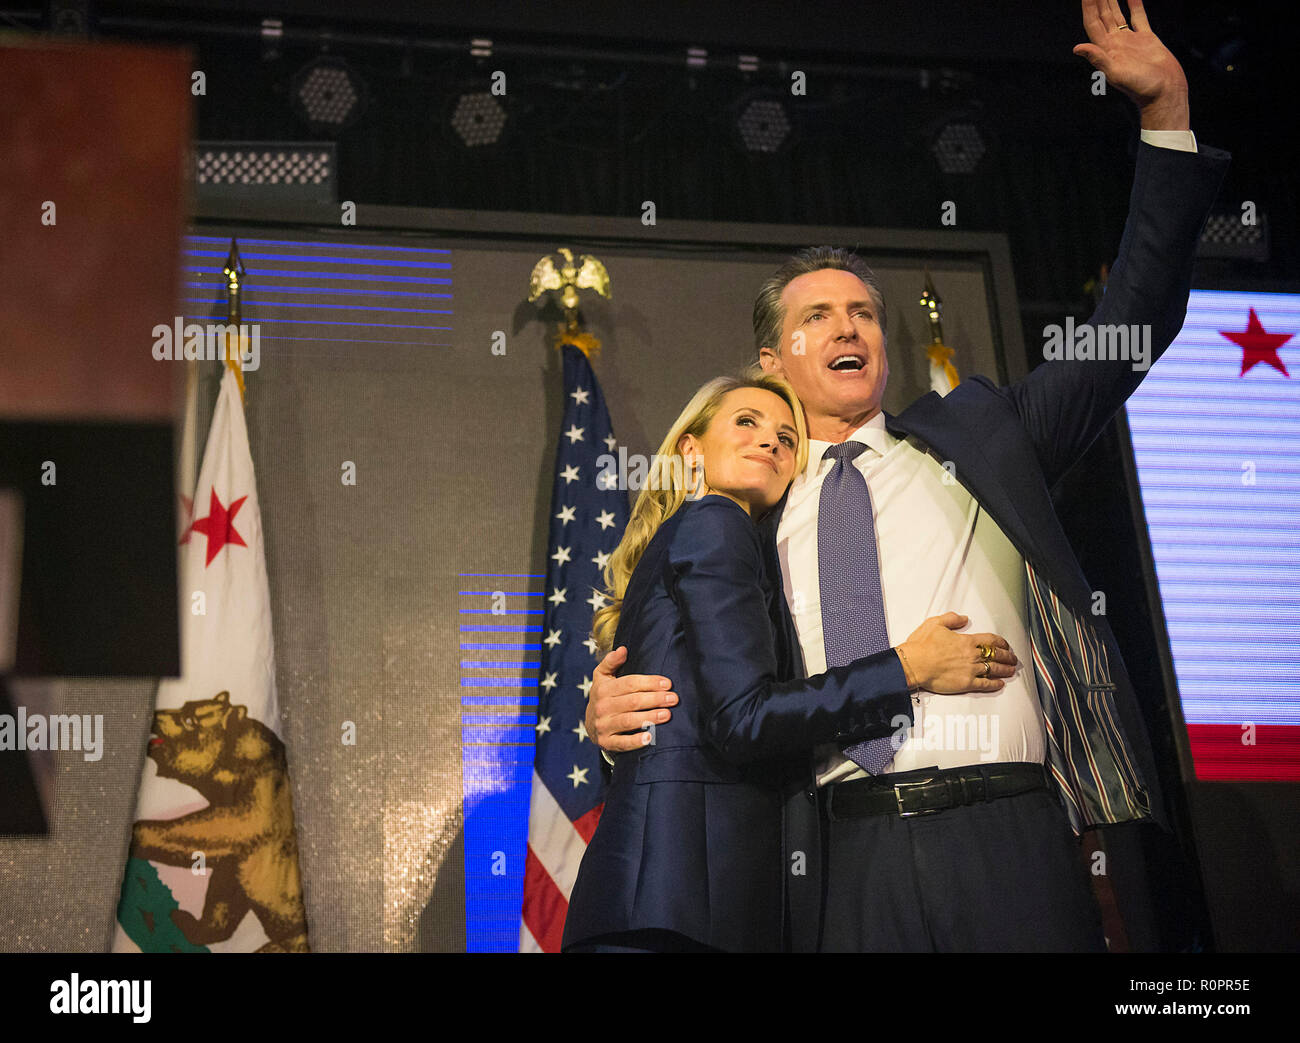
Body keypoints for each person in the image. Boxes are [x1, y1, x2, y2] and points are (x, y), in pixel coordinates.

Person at [587, 0, 1231, 950]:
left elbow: (1134, 319)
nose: (849, 326)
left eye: (863, 311)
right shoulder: (747, 509)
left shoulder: (987, 431)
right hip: (837, 860)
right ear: (772, 361)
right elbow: (719, 692)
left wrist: (1167, 114)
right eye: (818, 316)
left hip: (1009, 832)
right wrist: (618, 713)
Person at [561, 373, 1017, 952]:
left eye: (785, 437)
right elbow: (744, 719)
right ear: (691, 450)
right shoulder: (716, 521)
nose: (770, 442)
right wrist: (907, 666)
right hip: (680, 908)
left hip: (661, 902)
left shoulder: (695, 534)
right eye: (746, 423)